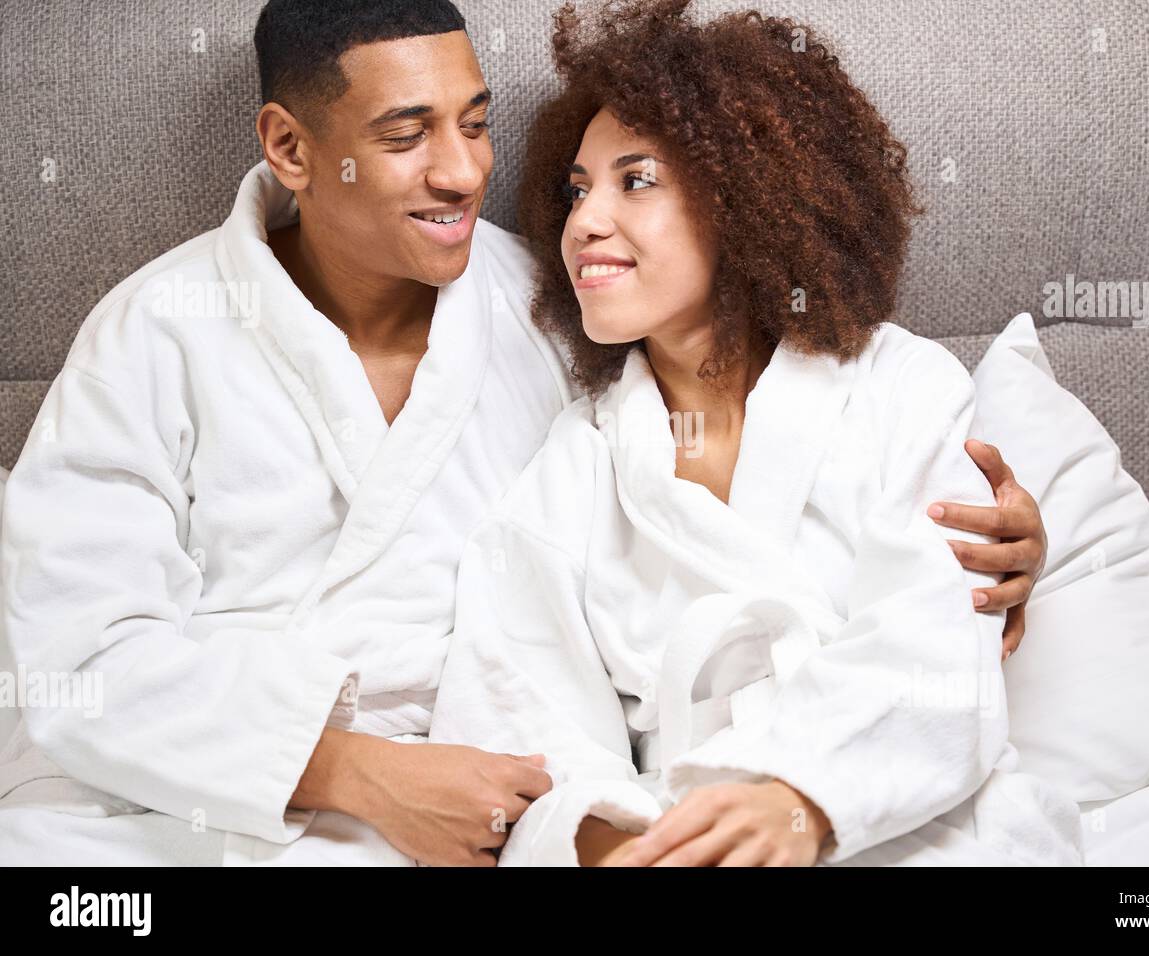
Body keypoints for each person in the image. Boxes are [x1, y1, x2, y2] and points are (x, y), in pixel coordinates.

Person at [0, 0, 1046, 866]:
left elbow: (889, 582)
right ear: (291, 147)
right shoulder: (154, 334)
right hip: (217, 793)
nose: (461, 173)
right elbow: (79, 656)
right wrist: (349, 767)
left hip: (521, 804)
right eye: (406, 136)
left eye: (476, 122)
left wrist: (1005, 558)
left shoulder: (553, 312)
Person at [428, 0, 1081, 866]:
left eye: (636, 180)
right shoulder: (576, 465)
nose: (583, 222)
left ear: (749, 196)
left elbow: (937, 648)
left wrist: (799, 802)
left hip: (904, 823)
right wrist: (629, 849)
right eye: (577, 189)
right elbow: (521, 712)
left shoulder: (901, 388)